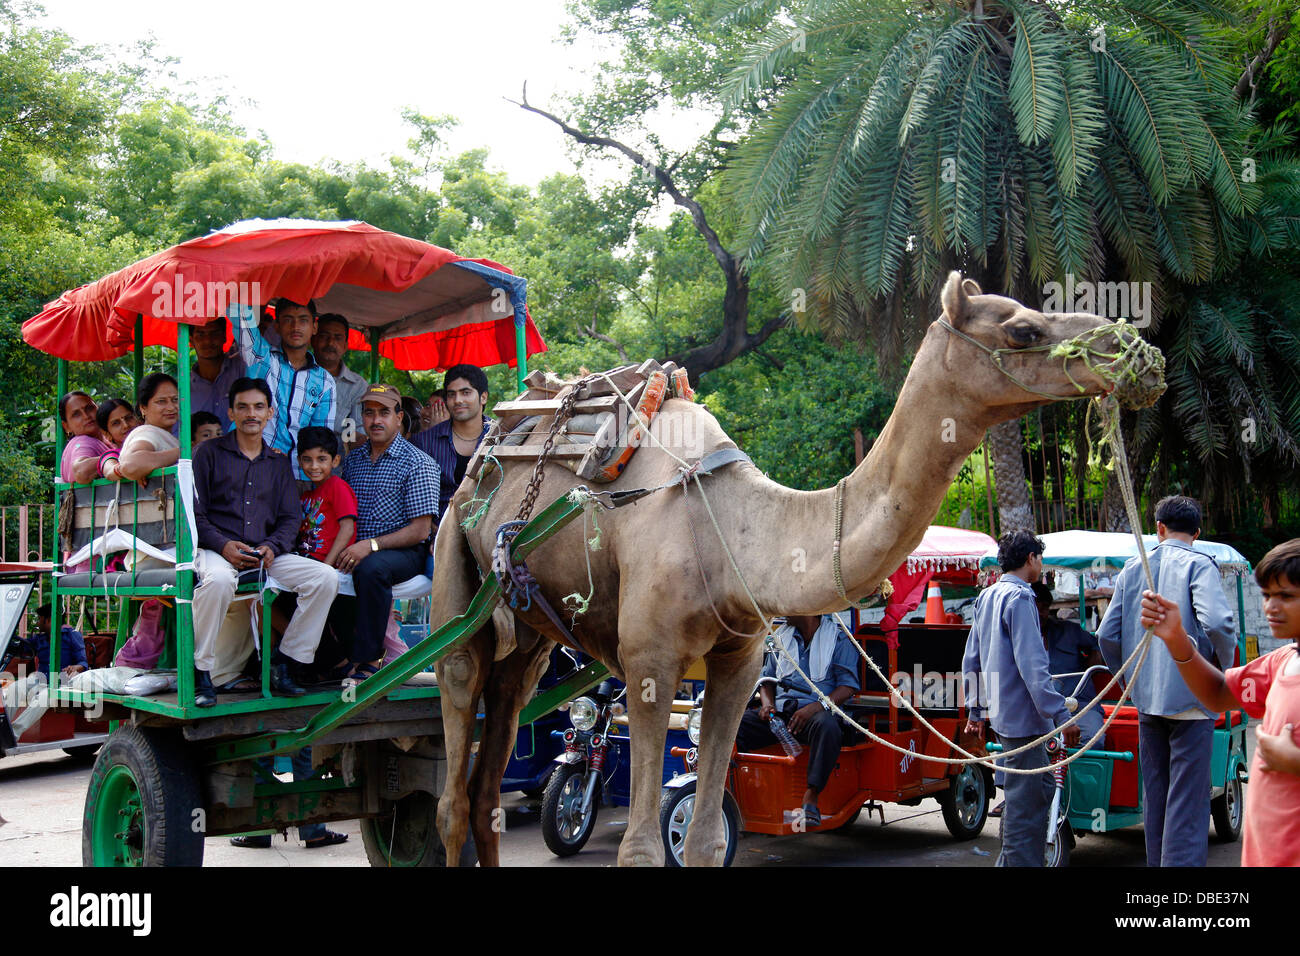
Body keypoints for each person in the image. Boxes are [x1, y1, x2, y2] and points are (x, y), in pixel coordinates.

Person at [1140, 538, 1300, 867]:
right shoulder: (1280, 663)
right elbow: (1216, 693)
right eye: (1268, 595)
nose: (1270, 606)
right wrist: (1176, 638)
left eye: (1285, 596)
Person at [1096, 495, 1236, 868]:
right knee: (1187, 804)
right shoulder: (1200, 564)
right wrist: (1219, 677)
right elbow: (1220, 625)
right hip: (1193, 702)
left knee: (1155, 798)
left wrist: (1131, 681)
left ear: (1158, 528)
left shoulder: (1133, 568)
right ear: (1197, 533)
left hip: (1146, 702)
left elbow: (1107, 636)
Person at [190, 378, 339, 707]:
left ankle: (285, 663)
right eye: (242, 407)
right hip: (218, 550)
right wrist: (224, 545)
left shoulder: (277, 462)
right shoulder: (208, 454)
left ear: (270, 412)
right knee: (216, 582)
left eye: (258, 407)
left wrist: (273, 546)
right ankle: (203, 673)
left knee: (325, 578)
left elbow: (290, 518)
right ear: (231, 412)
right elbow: (195, 514)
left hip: (265, 552)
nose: (251, 413)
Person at [962, 530, 1079, 867]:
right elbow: (1033, 667)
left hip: (1005, 718)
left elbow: (972, 658)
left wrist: (975, 710)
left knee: (1037, 789)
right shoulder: (1022, 598)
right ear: (1031, 559)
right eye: (1039, 559)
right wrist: (1061, 715)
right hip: (1025, 721)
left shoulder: (987, 597)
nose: (1040, 565)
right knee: (1025, 810)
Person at [335, 384, 439, 687]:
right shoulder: (353, 461)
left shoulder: (418, 463)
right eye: (369, 413)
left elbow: (420, 530)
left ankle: (370, 659)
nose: (375, 420)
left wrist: (371, 545)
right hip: (357, 546)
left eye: (384, 413)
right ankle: (338, 657)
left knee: (371, 568)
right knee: (322, 568)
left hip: (405, 552)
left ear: (399, 417)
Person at [735, 613, 860, 828]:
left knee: (828, 726)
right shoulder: (780, 638)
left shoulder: (839, 639)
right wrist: (767, 704)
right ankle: (734, 795)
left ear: (808, 610)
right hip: (781, 713)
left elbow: (848, 687)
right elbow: (767, 681)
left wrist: (815, 707)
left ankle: (811, 796)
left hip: (817, 712)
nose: (784, 612)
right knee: (736, 726)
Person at [235, 297, 336, 478]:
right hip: (254, 470)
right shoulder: (261, 358)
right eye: (288, 320)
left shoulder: (325, 381)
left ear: (314, 327)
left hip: (299, 477)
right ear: (277, 326)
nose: (296, 327)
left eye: (303, 320)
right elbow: (238, 312)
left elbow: (322, 441)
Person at [412, 364, 491, 524]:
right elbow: (413, 503)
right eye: (451, 394)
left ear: (483, 397)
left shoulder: (501, 437)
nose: (458, 400)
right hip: (435, 535)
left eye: (466, 393)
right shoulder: (423, 442)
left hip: (487, 533)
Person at [1033, 581, 1107, 747]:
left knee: (1093, 740)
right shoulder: (1017, 637)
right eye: (1035, 607)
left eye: (1044, 608)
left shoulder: (1068, 631)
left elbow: (1098, 642)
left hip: (1077, 703)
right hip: (1037, 708)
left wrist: (1094, 657)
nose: (1040, 613)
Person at [0, 602, 88, 741]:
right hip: (40, 679)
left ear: (49, 620)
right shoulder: (39, 638)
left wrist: (74, 667)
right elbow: (22, 648)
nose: (37, 622)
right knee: (15, 688)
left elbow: (83, 663)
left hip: (63, 682)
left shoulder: (72, 635)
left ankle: (13, 734)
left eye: (39, 619)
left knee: (45, 695)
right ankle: (3, 729)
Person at [101, 373, 181, 484]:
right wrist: (185, 452)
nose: (171, 407)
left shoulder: (164, 434)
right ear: (143, 408)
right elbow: (130, 465)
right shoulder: (147, 434)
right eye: (161, 401)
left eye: (175, 399)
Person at [311, 313, 368, 448]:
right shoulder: (296, 374)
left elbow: (354, 433)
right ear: (312, 340)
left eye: (338, 338)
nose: (331, 343)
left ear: (345, 346)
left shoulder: (357, 386)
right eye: (324, 336)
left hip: (335, 463)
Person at [190, 317, 246, 431]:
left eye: (214, 334)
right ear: (191, 341)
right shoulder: (184, 389)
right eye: (200, 335)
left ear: (224, 336)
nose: (207, 341)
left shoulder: (242, 367)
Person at [58, 391, 109, 485]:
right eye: (76, 414)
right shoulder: (83, 442)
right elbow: (81, 472)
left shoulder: (107, 440)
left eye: (89, 408)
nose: (86, 416)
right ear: (66, 426)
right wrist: (118, 456)